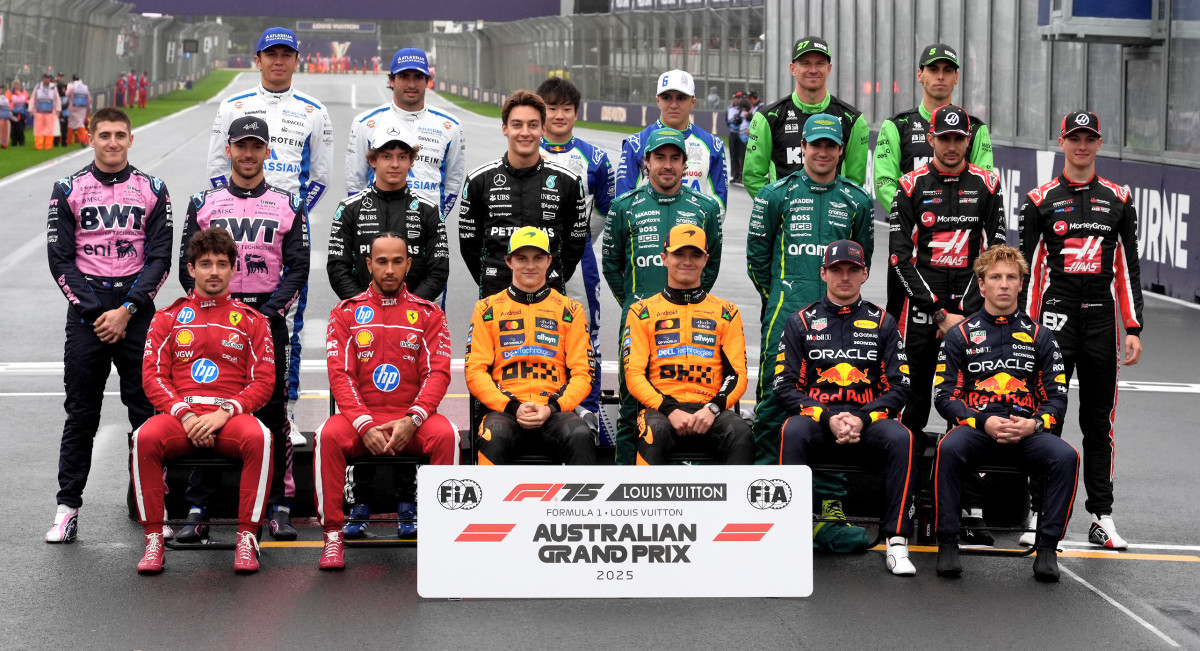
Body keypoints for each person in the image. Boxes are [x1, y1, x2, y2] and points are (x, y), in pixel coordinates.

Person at [45, 107, 173, 544]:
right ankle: (67, 509)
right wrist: (94, 311)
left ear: (131, 139)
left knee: (147, 415)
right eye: (105, 135)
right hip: (88, 314)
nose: (113, 142)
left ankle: (149, 507)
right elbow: (60, 259)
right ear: (91, 138)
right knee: (82, 414)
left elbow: (160, 258)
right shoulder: (68, 189)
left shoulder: (153, 189)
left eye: (120, 134)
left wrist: (128, 310)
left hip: (136, 312)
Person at [179, 116, 310, 542]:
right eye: (241, 146)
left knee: (272, 414)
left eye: (256, 146)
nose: (248, 154)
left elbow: (298, 268)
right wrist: (214, 309)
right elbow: (186, 267)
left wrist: (268, 313)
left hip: (265, 320)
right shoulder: (203, 202)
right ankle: (198, 507)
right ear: (229, 150)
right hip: (214, 320)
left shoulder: (289, 204)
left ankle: (279, 506)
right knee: (206, 405)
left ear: (268, 151)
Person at [1018, 111, 1143, 549]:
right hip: (1055, 320)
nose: (1082, 146)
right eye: (1075, 138)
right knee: (1045, 418)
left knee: (1098, 423)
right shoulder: (1039, 200)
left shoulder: (1119, 198)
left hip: (1102, 322)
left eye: (1089, 138)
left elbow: (1127, 268)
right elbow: (1028, 272)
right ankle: (1038, 514)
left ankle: (1101, 517)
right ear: (1062, 142)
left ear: (1099, 143)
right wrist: (1026, 328)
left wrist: (1133, 326)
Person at [208, 26, 333, 445]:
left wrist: (286, 215)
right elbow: (215, 170)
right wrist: (238, 209)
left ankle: (286, 413)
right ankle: (220, 404)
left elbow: (320, 177)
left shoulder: (315, 111)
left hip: (284, 232)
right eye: (270, 54)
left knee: (287, 325)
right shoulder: (232, 106)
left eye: (286, 54)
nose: (278, 61)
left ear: (297, 60)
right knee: (222, 321)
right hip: (234, 231)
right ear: (257, 60)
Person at [888, 104, 1006, 544]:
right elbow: (900, 258)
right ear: (931, 140)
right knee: (913, 404)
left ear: (968, 141)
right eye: (945, 138)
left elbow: (995, 252)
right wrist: (939, 313)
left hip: (971, 312)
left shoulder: (987, 184)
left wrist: (964, 313)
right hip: (922, 313)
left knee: (974, 404)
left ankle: (968, 509)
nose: (952, 146)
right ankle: (905, 505)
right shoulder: (910, 185)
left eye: (959, 139)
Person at [327, 118, 449, 538]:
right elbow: (337, 267)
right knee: (361, 399)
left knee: (408, 401)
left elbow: (438, 269)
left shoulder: (428, 210)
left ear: (412, 161)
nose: (394, 163)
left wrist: (405, 309)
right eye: (386, 156)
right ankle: (359, 502)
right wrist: (366, 308)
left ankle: (408, 503)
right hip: (362, 320)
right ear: (372, 160)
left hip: (413, 323)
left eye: (402, 156)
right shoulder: (349, 208)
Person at [133, 227, 276, 574]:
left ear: (233, 269)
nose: (214, 272)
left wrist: (224, 412)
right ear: (191, 269)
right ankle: (154, 539)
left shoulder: (254, 321)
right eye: (206, 264)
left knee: (262, 437)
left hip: (229, 417)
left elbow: (263, 382)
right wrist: (184, 414)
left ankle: (247, 538)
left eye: (222, 264)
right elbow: (152, 377)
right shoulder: (166, 317)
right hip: (181, 416)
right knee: (142, 438)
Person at [933, 244, 1077, 582]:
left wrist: (1034, 424)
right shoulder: (959, 335)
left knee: (1067, 456)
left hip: (1024, 432)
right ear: (982, 285)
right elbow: (944, 397)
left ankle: (1047, 548)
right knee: (947, 448)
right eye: (995, 277)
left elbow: (1057, 399)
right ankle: (948, 543)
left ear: (1021, 284)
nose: (1003, 284)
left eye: (1011, 277)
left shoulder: (1042, 337)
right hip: (977, 429)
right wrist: (982, 421)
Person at [316, 233, 458, 569]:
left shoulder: (429, 314)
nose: (390, 270)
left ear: (409, 264)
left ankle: (444, 537)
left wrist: (413, 419)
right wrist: (363, 424)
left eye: (397, 261)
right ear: (369, 265)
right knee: (326, 436)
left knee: (449, 436)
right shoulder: (345, 313)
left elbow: (438, 374)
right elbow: (341, 376)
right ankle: (332, 536)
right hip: (361, 419)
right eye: (382, 262)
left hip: (410, 420)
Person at [775, 240, 916, 575]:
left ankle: (897, 541)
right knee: (791, 430)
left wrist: (862, 418)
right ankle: (788, 535)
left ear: (865, 274)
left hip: (868, 421)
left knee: (903, 438)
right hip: (818, 420)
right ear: (823, 273)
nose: (845, 277)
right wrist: (827, 417)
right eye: (836, 270)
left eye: (853, 270)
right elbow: (784, 386)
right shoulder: (800, 322)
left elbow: (900, 386)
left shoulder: (883, 322)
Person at [747, 114, 874, 465]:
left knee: (837, 397)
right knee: (773, 398)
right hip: (785, 312)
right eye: (816, 144)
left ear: (841, 150)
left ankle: (827, 490)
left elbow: (861, 259)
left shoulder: (857, 200)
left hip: (839, 317)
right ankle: (767, 479)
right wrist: (780, 296)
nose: (823, 152)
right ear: (802, 146)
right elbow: (757, 260)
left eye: (830, 145)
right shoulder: (775, 194)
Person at [604, 128, 723, 465]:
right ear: (647, 162)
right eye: (660, 157)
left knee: (690, 398)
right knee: (631, 407)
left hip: (692, 319)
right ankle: (625, 482)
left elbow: (710, 263)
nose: (667, 165)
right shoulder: (623, 206)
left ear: (685, 164)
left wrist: (691, 302)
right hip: (639, 320)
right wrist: (636, 305)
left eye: (674, 158)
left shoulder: (705, 207)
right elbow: (612, 266)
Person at [465, 226, 596, 465]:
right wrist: (512, 406)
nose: (530, 266)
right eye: (522, 258)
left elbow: (583, 373)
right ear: (509, 261)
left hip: (554, 411)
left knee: (580, 435)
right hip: (505, 411)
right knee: (492, 435)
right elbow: (475, 372)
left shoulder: (570, 310)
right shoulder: (487, 309)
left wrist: (553, 407)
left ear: (549, 261)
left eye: (538, 258)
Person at [623, 225, 753, 465]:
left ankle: (735, 494)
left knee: (741, 433)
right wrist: (669, 409)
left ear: (705, 260)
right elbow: (634, 375)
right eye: (678, 254)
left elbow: (737, 375)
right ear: (664, 258)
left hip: (711, 409)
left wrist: (713, 408)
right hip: (661, 410)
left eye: (695, 255)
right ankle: (646, 493)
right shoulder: (641, 312)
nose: (687, 261)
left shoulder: (726, 312)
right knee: (654, 432)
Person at [537, 76, 616, 431]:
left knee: (586, 331)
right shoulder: (528, 150)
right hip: (531, 256)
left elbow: (605, 208)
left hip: (579, 255)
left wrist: (581, 240)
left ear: (576, 113)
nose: (559, 115)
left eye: (566, 109)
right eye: (551, 108)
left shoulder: (596, 158)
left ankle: (589, 408)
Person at [458, 90, 588, 298]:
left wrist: (552, 276)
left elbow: (575, 244)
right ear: (505, 128)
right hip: (495, 294)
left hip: (550, 294)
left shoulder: (568, 181)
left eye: (533, 125)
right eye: (517, 125)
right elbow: (469, 246)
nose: (525, 133)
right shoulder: (478, 180)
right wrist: (489, 279)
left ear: (543, 129)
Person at [345, 47, 466, 221]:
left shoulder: (451, 126)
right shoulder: (365, 123)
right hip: (379, 227)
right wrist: (367, 223)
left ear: (427, 80)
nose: (411, 84)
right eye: (404, 76)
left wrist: (436, 221)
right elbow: (354, 183)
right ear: (391, 80)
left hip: (428, 228)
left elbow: (453, 184)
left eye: (418, 77)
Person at [874, 44, 993, 215]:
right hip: (912, 227)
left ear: (956, 77)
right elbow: (884, 182)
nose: (941, 76)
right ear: (920, 75)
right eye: (933, 69)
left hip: (961, 227)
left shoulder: (975, 128)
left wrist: (955, 221)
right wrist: (914, 219)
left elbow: (985, 184)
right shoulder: (896, 126)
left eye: (948, 70)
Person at [743, 36, 870, 197]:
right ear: (793, 68)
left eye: (820, 63)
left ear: (829, 68)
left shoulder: (852, 120)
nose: (813, 70)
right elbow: (752, 177)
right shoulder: (768, 118)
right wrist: (775, 206)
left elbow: (854, 182)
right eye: (806, 63)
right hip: (785, 212)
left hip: (833, 212)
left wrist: (835, 208)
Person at [615, 70, 729, 219]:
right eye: (667, 97)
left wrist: (690, 228)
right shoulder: (635, 144)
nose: (674, 105)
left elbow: (718, 205)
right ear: (658, 100)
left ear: (692, 102)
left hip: (694, 232)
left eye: (681, 98)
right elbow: (623, 204)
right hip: (646, 231)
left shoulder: (713, 145)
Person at [32, 73, 60, 150]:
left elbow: (57, 99)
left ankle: (48, 145)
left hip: (50, 112)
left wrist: (58, 109)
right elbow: (33, 98)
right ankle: (38, 145)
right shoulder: (38, 87)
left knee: (50, 129)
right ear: (43, 79)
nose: (47, 80)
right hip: (39, 112)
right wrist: (31, 109)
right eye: (46, 78)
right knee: (39, 129)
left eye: (49, 78)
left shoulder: (53, 88)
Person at [726, 92, 748, 185]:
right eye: (736, 98)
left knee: (742, 155)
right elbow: (728, 121)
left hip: (742, 134)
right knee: (733, 155)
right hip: (733, 134)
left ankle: (742, 175)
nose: (738, 100)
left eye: (739, 98)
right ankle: (735, 175)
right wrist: (734, 122)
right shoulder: (730, 108)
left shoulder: (745, 109)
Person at [65, 75, 91, 147]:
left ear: (72, 80)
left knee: (70, 123)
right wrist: (89, 109)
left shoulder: (70, 86)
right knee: (80, 123)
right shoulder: (84, 87)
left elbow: (66, 94)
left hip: (72, 107)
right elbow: (88, 99)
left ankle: (69, 140)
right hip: (82, 108)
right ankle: (84, 140)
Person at [55, 73, 69, 147]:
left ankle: (64, 142)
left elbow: (66, 105)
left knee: (64, 129)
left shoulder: (65, 96)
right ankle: (56, 142)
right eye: (62, 88)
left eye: (64, 88)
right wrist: (60, 116)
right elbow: (57, 106)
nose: (64, 90)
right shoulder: (57, 97)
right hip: (58, 114)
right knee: (57, 129)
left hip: (65, 113)